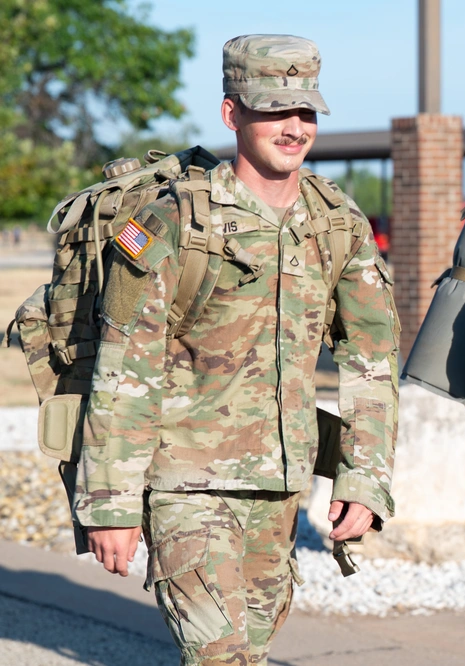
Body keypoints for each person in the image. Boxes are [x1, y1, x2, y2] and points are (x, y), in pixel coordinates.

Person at [75, 34, 400, 665]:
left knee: (246, 651)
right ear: (233, 114)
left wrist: (365, 479)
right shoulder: (173, 224)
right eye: (275, 109)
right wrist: (109, 502)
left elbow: (372, 358)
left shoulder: (338, 224)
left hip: (280, 486)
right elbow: (124, 365)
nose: (293, 126)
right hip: (186, 485)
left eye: (304, 112)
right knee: (222, 655)